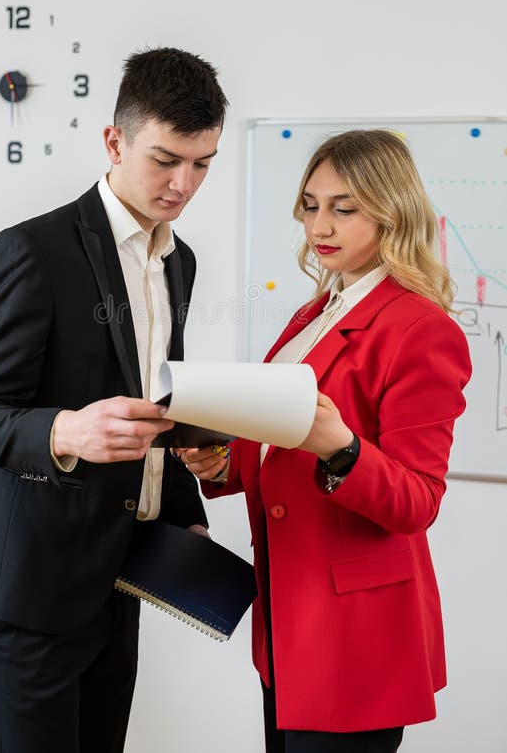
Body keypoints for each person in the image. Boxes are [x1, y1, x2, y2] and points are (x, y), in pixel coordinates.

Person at [0, 47, 228, 753]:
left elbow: (158, 395)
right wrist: (66, 431)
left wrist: (184, 503)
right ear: (114, 140)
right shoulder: (32, 251)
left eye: (202, 163)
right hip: (35, 592)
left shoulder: (180, 259)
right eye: (166, 159)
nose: (183, 183)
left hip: (126, 578)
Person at [181, 129, 472, 753]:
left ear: (392, 213)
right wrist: (220, 464)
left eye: (344, 207)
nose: (321, 224)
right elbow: (280, 441)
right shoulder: (318, 311)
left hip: (356, 631)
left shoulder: (422, 328)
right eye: (310, 205)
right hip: (290, 616)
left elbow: (418, 500)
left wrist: (341, 447)